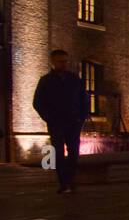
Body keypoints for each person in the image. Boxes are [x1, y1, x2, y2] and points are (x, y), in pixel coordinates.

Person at [32, 49, 89, 194]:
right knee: (58, 152)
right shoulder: (46, 81)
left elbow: (84, 99)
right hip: (56, 122)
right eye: (60, 61)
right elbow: (38, 102)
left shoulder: (75, 79)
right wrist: (49, 118)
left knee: (73, 152)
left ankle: (70, 179)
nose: (64, 64)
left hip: (73, 122)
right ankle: (63, 182)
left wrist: (81, 117)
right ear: (53, 62)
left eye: (65, 61)